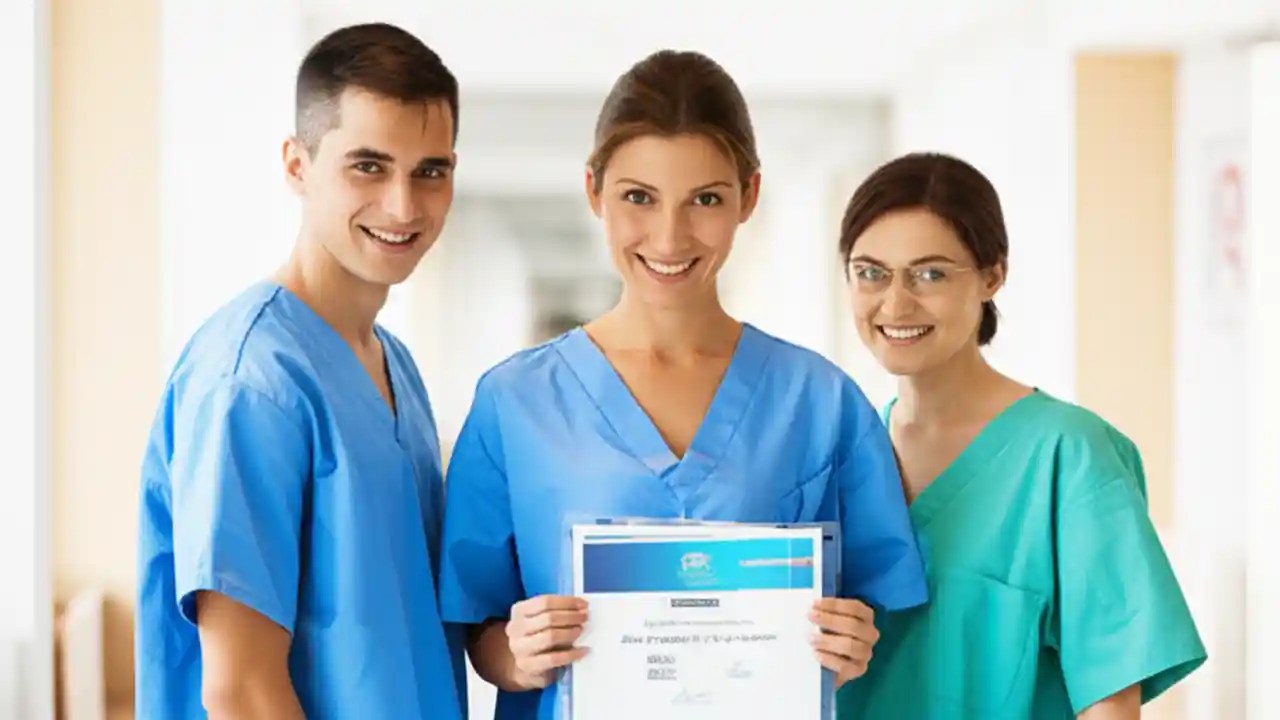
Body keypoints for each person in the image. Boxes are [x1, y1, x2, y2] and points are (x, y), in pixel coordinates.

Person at [437, 49, 929, 720]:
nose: (669, 237)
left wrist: (853, 645)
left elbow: (870, 616)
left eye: (705, 199)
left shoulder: (819, 402)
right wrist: (515, 659)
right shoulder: (515, 403)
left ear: (748, 197)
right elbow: (477, 628)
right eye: (638, 197)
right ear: (594, 192)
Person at [135, 23, 465, 719]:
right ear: (296, 165)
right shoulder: (252, 379)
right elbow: (243, 692)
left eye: (430, 171)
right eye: (368, 167)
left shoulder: (393, 365)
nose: (404, 206)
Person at [834, 153, 1207, 719]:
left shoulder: (1070, 456)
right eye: (871, 272)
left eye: (930, 273)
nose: (895, 302)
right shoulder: (843, 457)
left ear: (992, 275)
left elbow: (1110, 701)